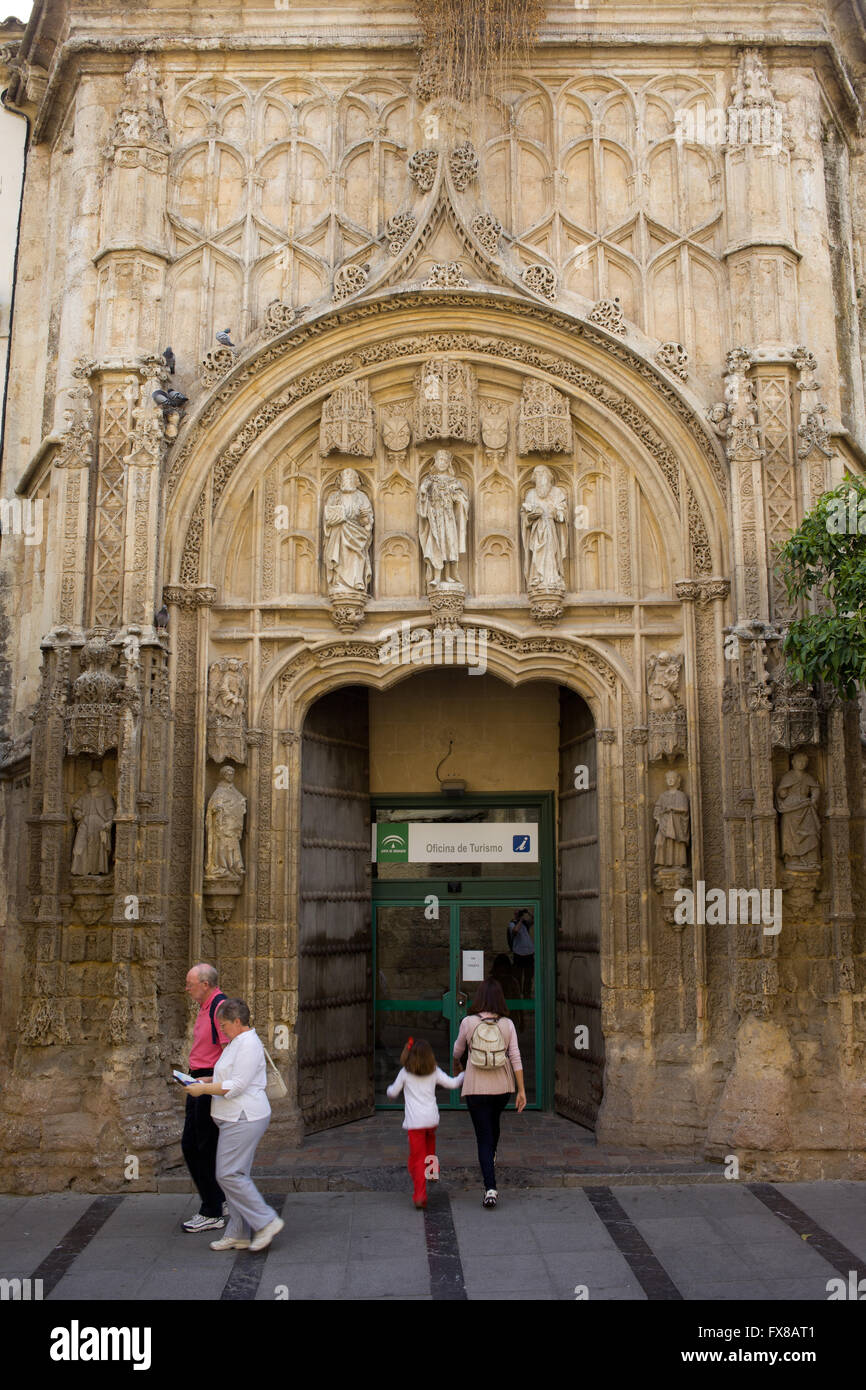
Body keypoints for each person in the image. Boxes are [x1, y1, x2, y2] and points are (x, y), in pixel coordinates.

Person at [185, 998, 284, 1253]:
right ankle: (238, 1234)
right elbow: (226, 1076)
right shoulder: (236, 1042)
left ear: (237, 1022)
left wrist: (203, 1089)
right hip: (234, 1118)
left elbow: (237, 1085)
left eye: (224, 1024)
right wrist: (203, 1079)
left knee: (227, 1174)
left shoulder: (248, 1044)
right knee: (236, 1175)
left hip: (244, 1117)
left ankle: (266, 1221)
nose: (221, 1029)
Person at [453, 979, 526, 1208]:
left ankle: (490, 1188)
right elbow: (515, 1057)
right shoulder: (507, 1024)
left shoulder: (468, 1022)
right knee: (493, 1125)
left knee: (483, 1135)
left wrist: (457, 1063)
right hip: (502, 1086)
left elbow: (457, 1050)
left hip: (476, 1087)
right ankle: (491, 1158)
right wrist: (521, 1090)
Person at [387, 1038, 464, 1209]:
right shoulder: (434, 1071)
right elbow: (452, 1084)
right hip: (431, 1119)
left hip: (415, 1123)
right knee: (430, 1145)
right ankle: (432, 1171)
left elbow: (393, 1092)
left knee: (417, 1158)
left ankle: (420, 1194)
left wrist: (387, 1090)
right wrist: (464, 1074)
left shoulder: (405, 1073)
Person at [180, 964, 228, 1234]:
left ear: (206, 984)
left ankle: (212, 1210)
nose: (187, 989)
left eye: (190, 984)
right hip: (198, 1080)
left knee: (197, 1146)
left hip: (206, 1084)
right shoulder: (206, 1006)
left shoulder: (219, 1007)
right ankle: (217, 1201)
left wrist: (209, 1083)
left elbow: (228, 1051)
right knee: (200, 1144)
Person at [507, 908, 535, 997]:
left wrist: (528, 913)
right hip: (518, 954)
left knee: (528, 978)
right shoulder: (512, 924)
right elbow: (515, 931)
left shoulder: (525, 924)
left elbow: (534, 920)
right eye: (516, 912)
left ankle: (527, 995)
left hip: (529, 953)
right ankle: (518, 996)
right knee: (517, 977)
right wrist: (520, 920)